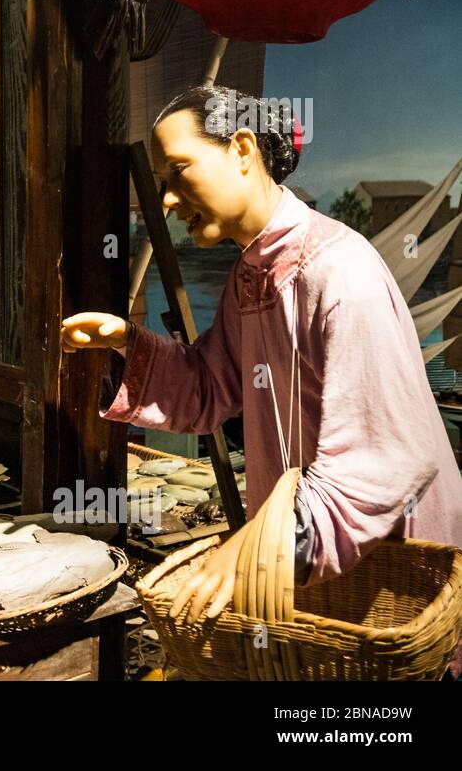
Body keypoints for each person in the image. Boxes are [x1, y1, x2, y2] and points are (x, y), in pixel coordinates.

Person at [61, 85, 462, 674]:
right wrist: (127, 342)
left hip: (393, 552)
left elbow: (387, 455)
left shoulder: (338, 271)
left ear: (242, 149)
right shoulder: (251, 273)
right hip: (308, 540)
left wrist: (264, 550)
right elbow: (208, 387)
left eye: (179, 170)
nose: (168, 199)